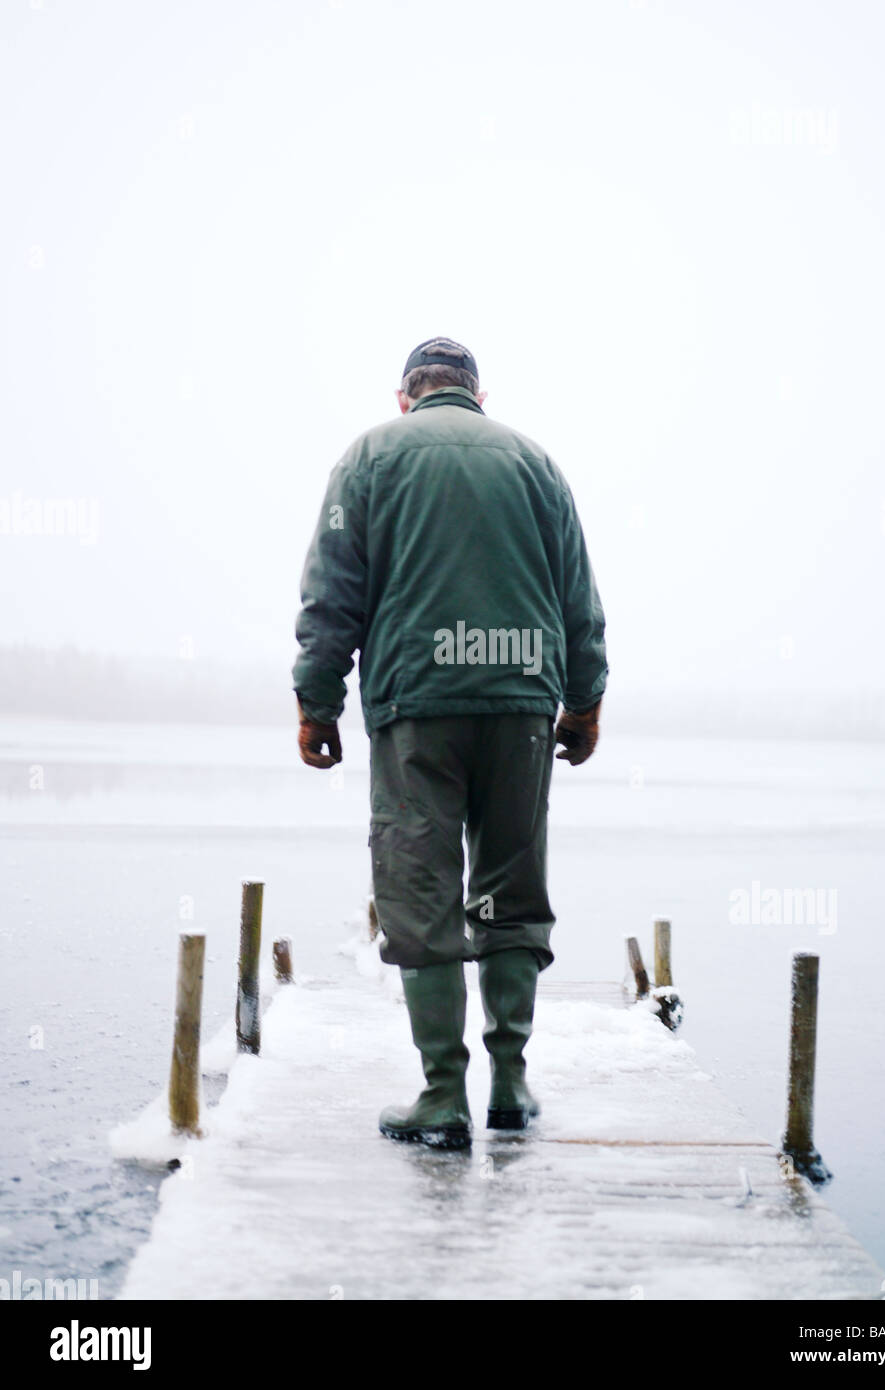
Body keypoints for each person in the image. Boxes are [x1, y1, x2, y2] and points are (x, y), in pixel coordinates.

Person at [293, 337, 607, 1150]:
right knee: (510, 887)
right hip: (518, 707)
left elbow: (333, 593)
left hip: (415, 705)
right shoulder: (534, 463)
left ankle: (442, 1098)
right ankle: (508, 1086)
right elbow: (578, 594)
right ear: (477, 395)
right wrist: (584, 702)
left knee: (420, 894)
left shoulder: (369, 457)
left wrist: (317, 702)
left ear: (405, 396)